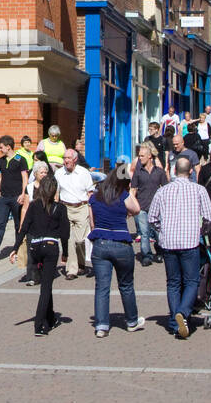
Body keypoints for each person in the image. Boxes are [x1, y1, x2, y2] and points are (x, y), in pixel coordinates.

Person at [148, 156, 211, 339]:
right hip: (189, 242)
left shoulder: (163, 192)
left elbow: (152, 218)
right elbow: (209, 218)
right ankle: (183, 313)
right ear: (191, 171)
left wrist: (163, 230)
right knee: (192, 280)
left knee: (173, 282)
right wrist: (200, 231)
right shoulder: (199, 190)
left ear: (174, 171)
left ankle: (173, 322)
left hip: (168, 243)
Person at [87, 164, 143, 337]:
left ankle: (101, 326)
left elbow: (92, 224)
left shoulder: (95, 197)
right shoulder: (123, 195)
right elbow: (136, 209)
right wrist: (131, 192)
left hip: (101, 244)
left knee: (102, 287)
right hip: (121, 242)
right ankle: (132, 321)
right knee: (126, 285)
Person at [15, 173, 69, 336]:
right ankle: (40, 324)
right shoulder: (60, 208)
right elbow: (65, 233)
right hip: (51, 247)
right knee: (46, 287)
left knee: (47, 282)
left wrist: (15, 247)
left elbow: (24, 228)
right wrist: (65, 253)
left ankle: (50, 316)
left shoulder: (33, 205)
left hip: (36, 247)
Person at [55, 148, 95, 280]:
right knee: (69, 239)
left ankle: (81, 263)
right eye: (64, 158)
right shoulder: (59, 173)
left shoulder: (83, 173)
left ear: (75, 160)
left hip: (81, 207)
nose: (66, 161)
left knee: (80, 240)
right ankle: (71, 270)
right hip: (65, 208)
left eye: (68, 158)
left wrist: (92, 212)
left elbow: (90, 193)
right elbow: (56, 193)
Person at [0, 135, 29, 261]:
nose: (0, 149)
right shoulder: (1, 161)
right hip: (4, 197)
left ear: (8, 147)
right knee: (0, 223)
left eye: (1, 147)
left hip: (16, 197)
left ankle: (18, 249)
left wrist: (23, 194)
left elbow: (24, 177)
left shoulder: (20, 160)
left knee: (19, 224)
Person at [131, 141, 168, 267]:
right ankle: (146, 255)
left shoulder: (159, 172)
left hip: (156, 208)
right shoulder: (138, 172)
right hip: (141, 207)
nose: (139, 158)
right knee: (144, 233)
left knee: (158, 233)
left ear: (149, 156)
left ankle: (160, 251)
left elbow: (166, 189)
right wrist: (132, 206)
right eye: (139, 156)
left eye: (142, 156)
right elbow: (133, 190)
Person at [15, 160, 52, 284]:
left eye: (45, 172)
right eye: (41, 172)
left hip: (46, 222)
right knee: (31, 249)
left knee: (44, 249)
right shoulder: (29, 188)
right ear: (35, 173)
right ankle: (32, 276)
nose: (44, 174)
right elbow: (25, 207)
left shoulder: (50, 186)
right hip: (32, 223)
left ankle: (43, 273)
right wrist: (22, 224)